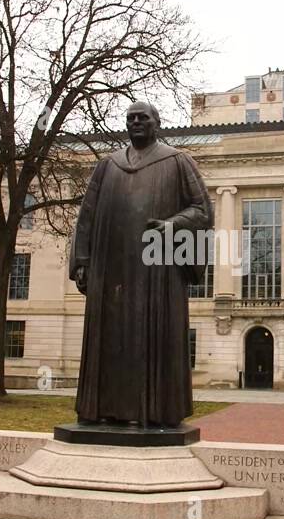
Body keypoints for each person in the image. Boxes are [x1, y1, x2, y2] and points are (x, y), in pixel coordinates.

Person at [70, 101, 213, 428]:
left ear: (156, 123)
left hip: (158, 269)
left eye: (142, 118)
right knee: (109, 338)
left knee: (153, 337)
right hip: (110, 270)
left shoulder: (178, 162)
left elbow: (202, 210)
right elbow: (86, 219)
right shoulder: (107, 166)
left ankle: (155, 411)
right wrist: (82, 261)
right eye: (130, 118)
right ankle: (103, 410)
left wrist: (173, 225)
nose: (136, 122)